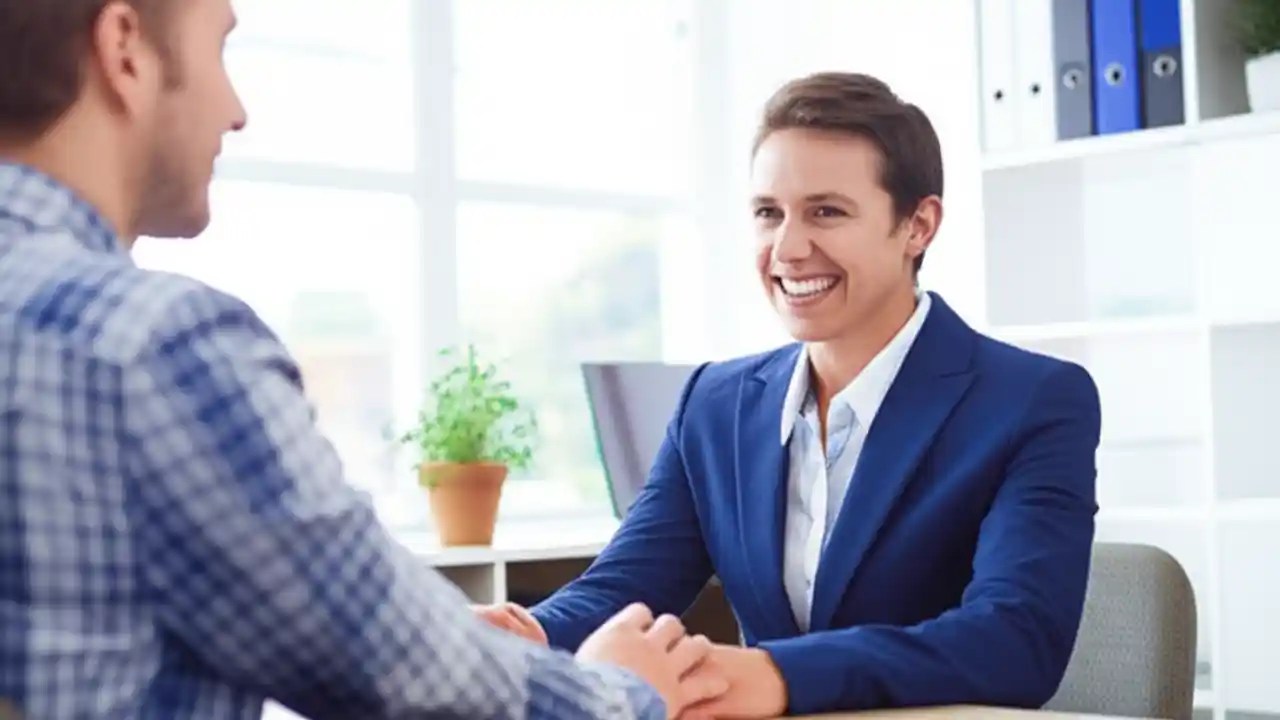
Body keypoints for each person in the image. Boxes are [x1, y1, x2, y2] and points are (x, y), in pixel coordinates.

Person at [0, 1, 729, 717]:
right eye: (220, 50)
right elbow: (409, 676)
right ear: (124, 47)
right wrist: (625, 694)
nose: (237, 110)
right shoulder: (152, 347)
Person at [476, 71, 1102, 717]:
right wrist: (527, 633)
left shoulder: (1033, 400)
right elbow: (626, 585)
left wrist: (774, 673)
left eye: (826, 212)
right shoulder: (715, 403)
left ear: (918, 226)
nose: (789, 247)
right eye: (768, 213)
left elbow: (1015, 643)